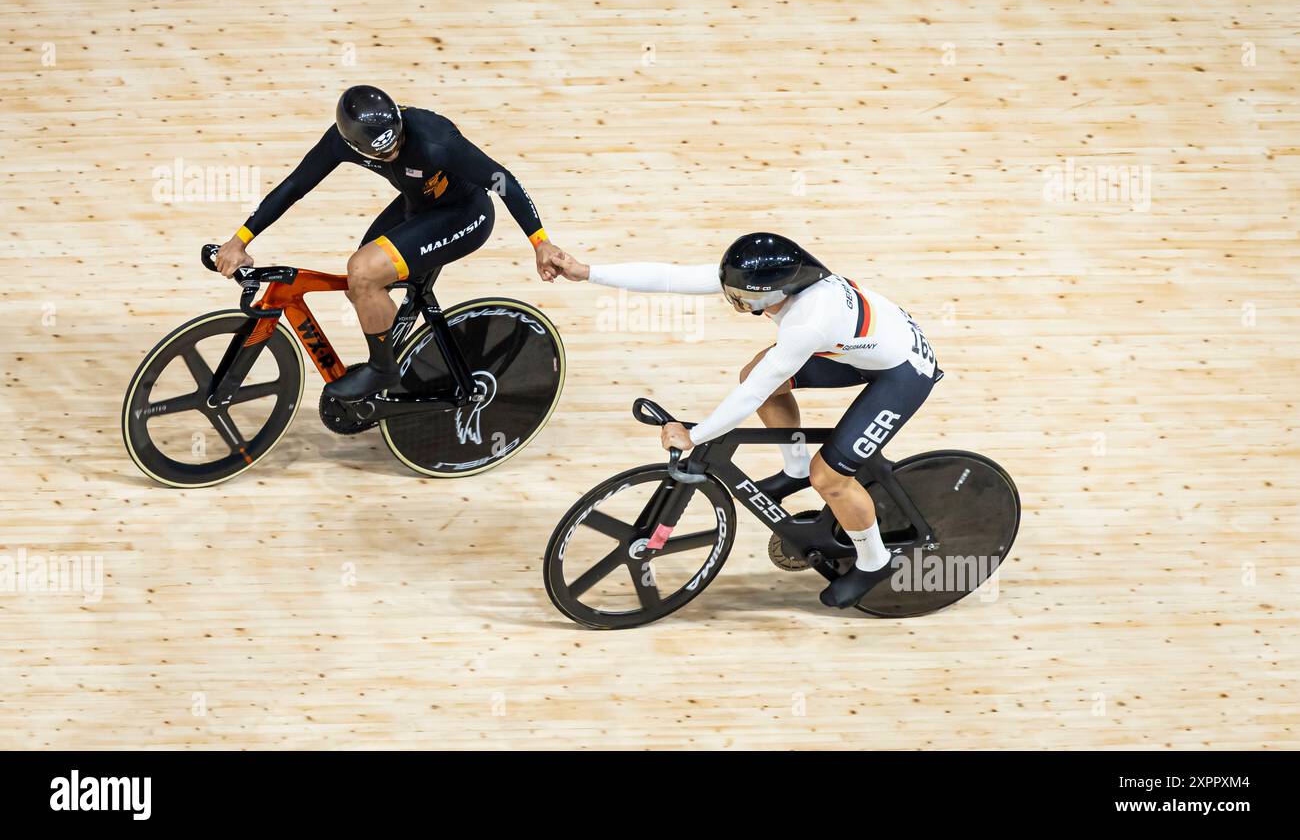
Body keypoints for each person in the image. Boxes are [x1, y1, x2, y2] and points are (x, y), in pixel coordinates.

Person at [553, 233, 941, 609]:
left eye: (741, 301)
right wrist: (588, 271)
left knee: (831, 478)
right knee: (756, 374)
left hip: (902, 373)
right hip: (859, 350)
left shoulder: (807, 321)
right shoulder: (776, 277)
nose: (736, 304)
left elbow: (753, 394)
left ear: (771, 294)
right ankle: (796, 468)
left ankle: (874, 561)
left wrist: (694, 435)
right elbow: (672, 278)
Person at [214, 85, 565, 399]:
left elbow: (502, 180)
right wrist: (240, 239)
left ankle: (383, 369)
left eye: (397, 144)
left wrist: (541, 243)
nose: (394, 154)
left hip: (464, 215)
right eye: (383, 154)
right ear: (354, 145)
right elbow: (294, 186)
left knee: (363, 272)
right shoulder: (340, 141)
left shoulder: (433, 138)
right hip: (419, 208)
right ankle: (392, 349)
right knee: (359, 281)